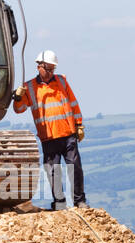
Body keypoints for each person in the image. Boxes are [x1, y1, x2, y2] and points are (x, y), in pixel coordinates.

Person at [12, 49, 87, 209]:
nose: (51, 72)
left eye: (53, 69)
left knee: (75, 169)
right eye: (48, 69)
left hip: (68, 134)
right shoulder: (29, 87)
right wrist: (18, 97)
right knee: (53, 172)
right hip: (48, 137)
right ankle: (59, 202)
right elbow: (19, 109)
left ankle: (79, 201)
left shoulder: (62, 81)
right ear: (39, 66)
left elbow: (73, 103)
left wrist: (79, 124)